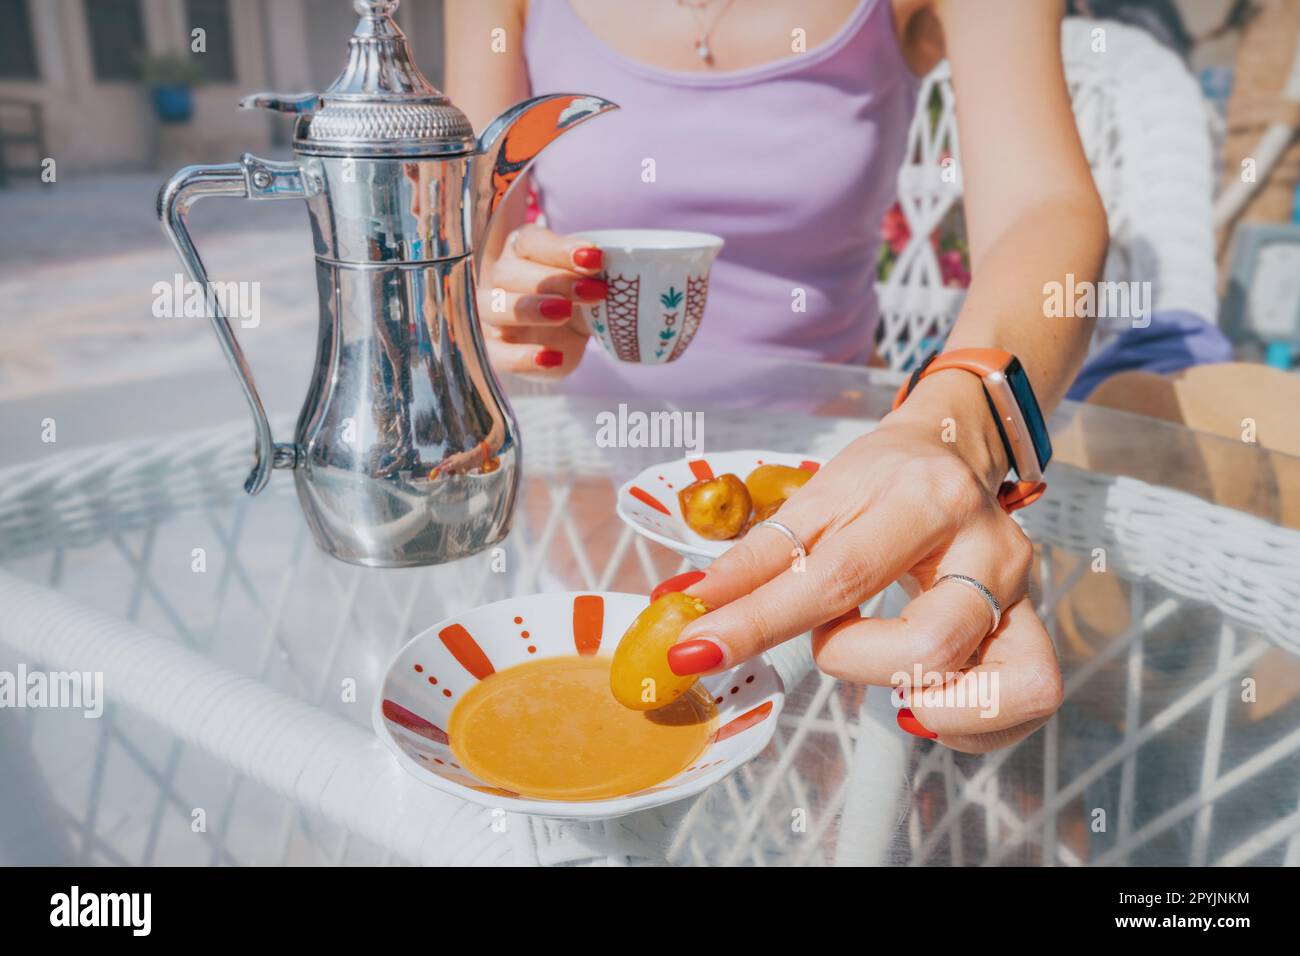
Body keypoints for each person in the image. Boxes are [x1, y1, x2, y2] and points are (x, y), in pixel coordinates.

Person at [446, 0, 1109, 752]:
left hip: (838, 496)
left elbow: (1044, 208)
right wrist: (495, 301)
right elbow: (463, 230)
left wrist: (953, 434)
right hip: (580, 494)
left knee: (832, 791)